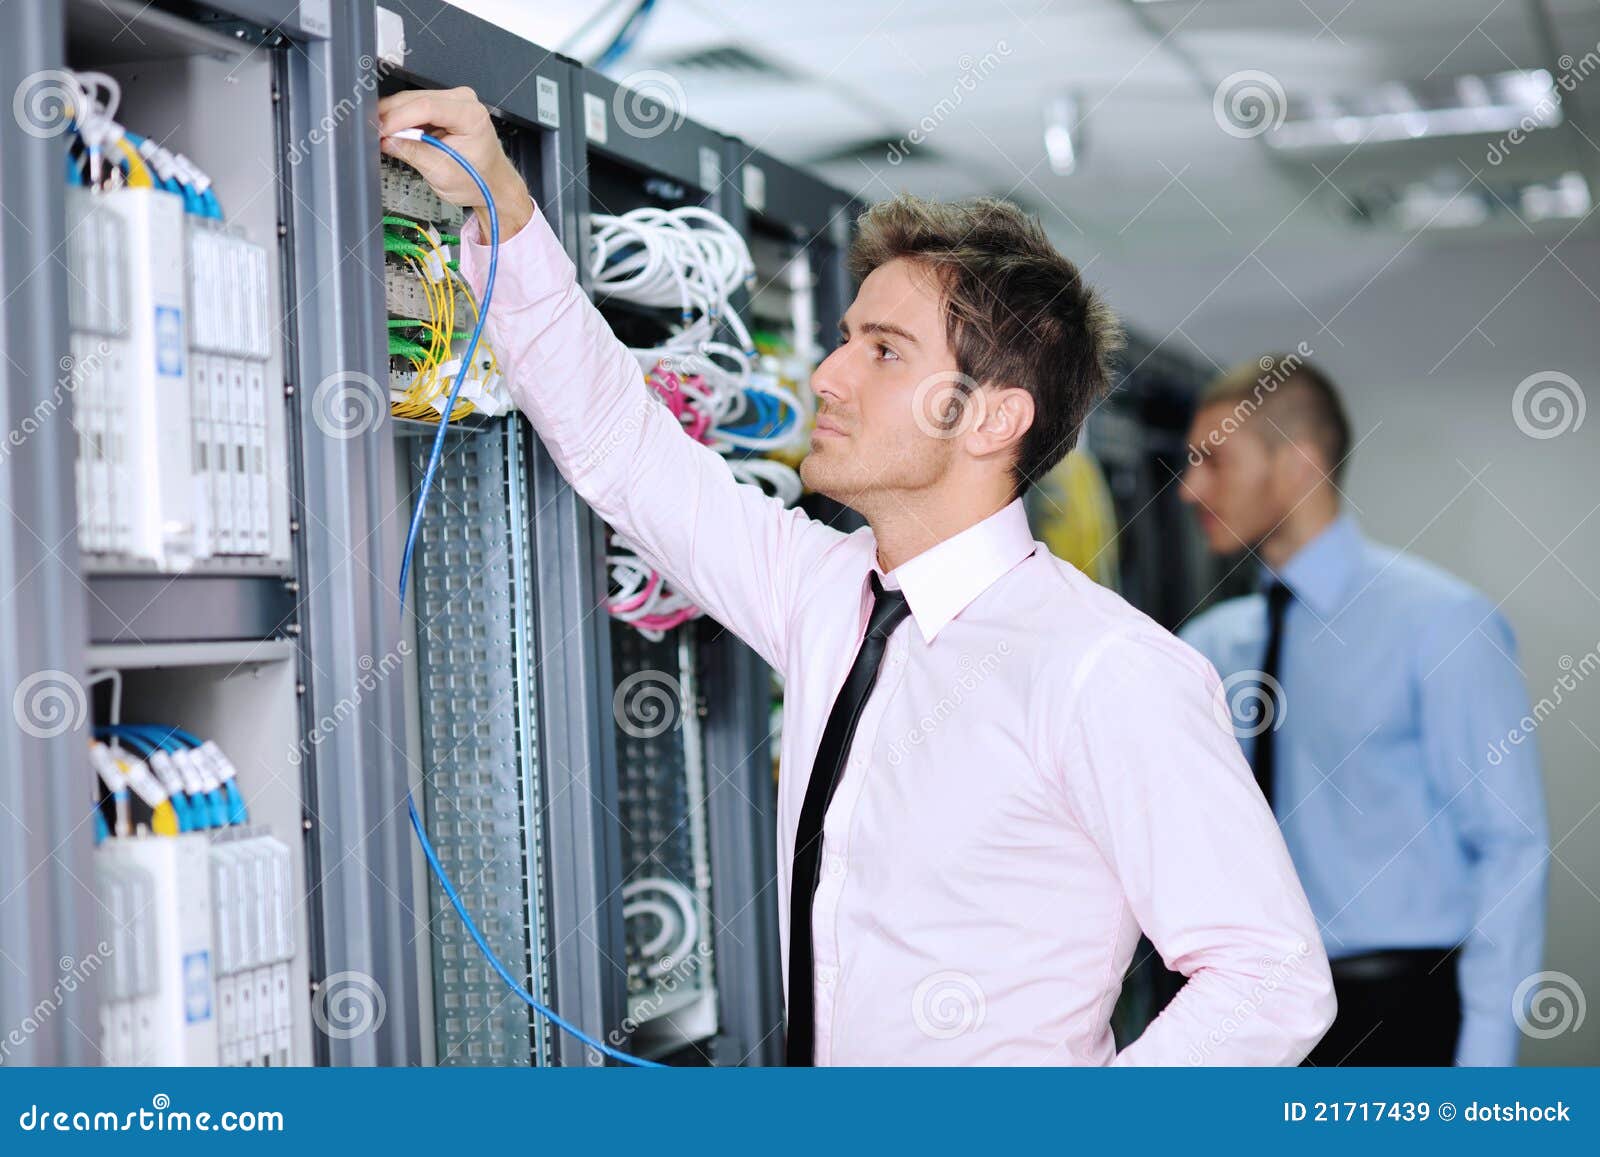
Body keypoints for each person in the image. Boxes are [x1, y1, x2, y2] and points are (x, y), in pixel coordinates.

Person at [378, 87, 1335, 1066]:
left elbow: (1268, 976)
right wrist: (499, 202)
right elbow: (624, 452)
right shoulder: (825, 588)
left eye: (882, 351)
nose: (829, 376)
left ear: (990, 418)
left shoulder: (1103, 667)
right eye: (844, 339)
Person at [1179, 354, 1548, 1066]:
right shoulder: (1206, 648)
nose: (1191, 488)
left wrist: (1483, 1072)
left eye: (1215, 461)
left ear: (1297, 465)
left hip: (1399, 1020)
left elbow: (1509, 847)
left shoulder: (1442, 625)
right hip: (1243, 1020)